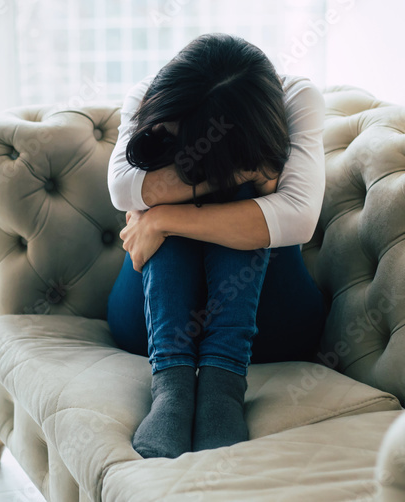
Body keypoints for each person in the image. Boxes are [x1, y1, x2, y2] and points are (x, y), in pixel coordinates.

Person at [106, 33, 327, 459]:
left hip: (271, 322)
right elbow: (123, 188)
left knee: (237, 207)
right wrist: (239, 173)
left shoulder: (298, 99)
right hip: (148, 322)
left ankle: (223, 383)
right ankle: (171, 383)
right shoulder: (151, 97)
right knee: (233, 198)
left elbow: (299, 216)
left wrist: (162, 216)